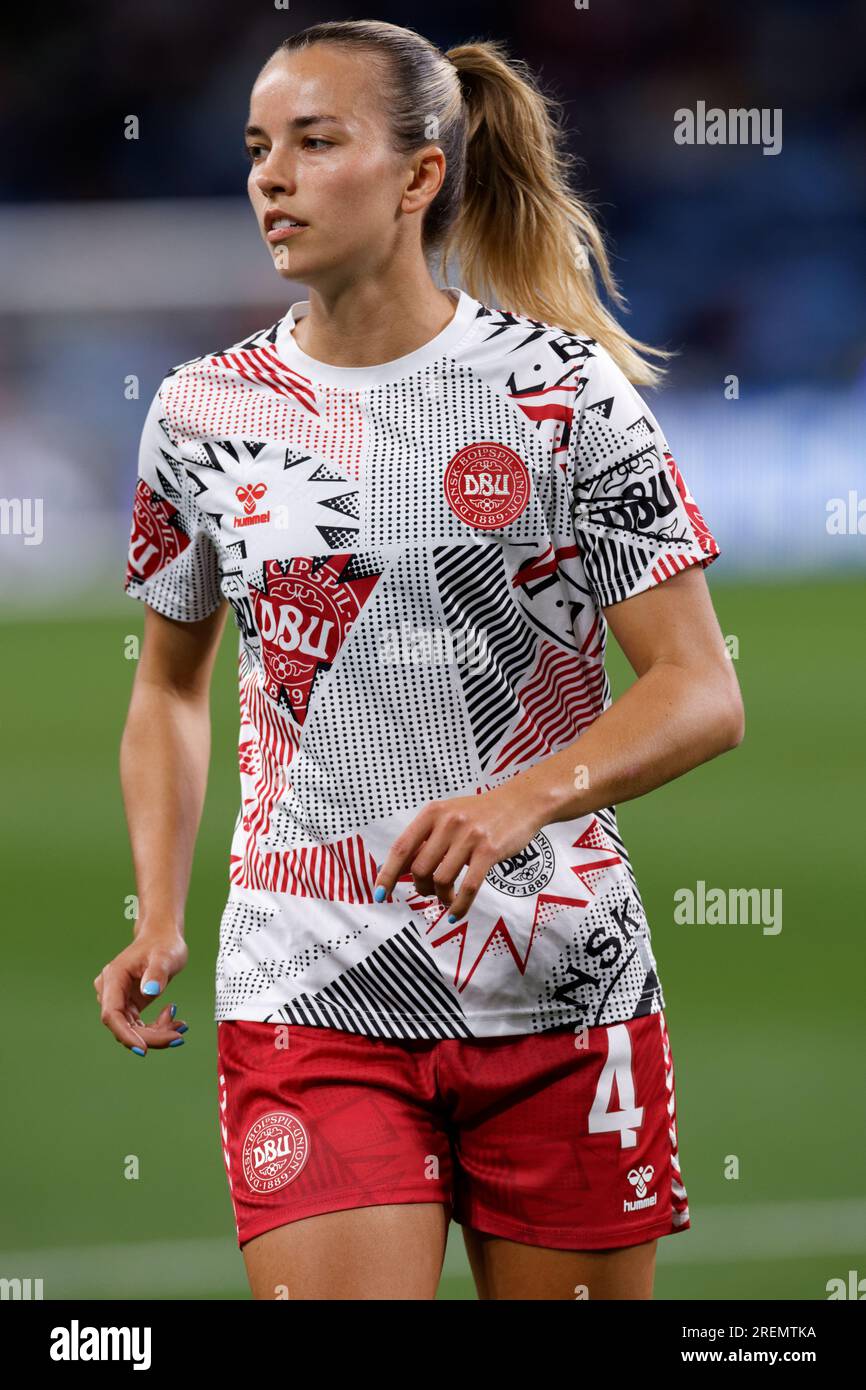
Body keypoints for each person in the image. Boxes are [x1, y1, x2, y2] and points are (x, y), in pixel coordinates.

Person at [95, 20, 744, 1301]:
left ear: (417, 174)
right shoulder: (199, 412)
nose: (268, 178)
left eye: (314, 142)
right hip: (309, 979)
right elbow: (167, 685)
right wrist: (157, 912)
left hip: (562, 985)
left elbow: (700, 691)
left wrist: (521, 800)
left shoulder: (567, 395)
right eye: (256, 148)